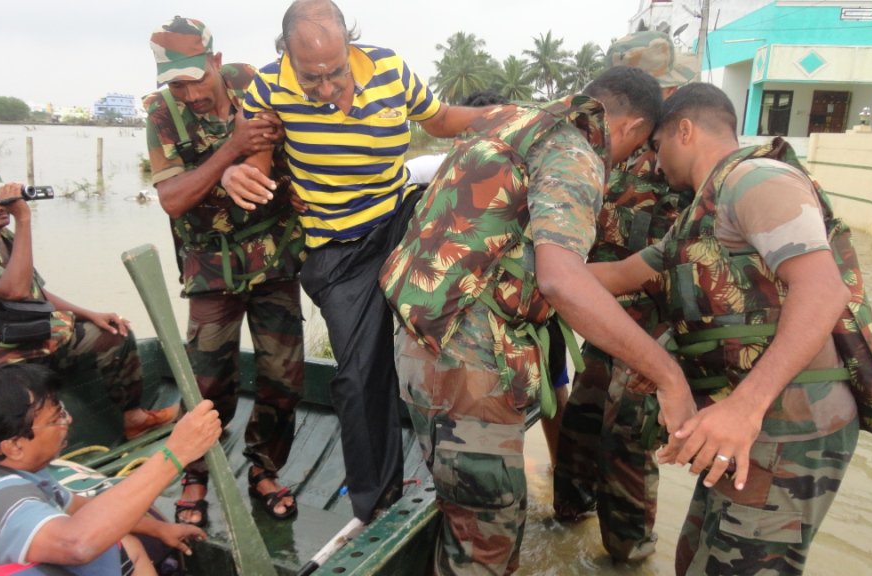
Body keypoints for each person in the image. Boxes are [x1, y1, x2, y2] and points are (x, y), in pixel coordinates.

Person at [380, 67, 695, 575]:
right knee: (488, 538)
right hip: (469, 362)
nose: (639, 159)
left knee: (467, 518)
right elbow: (560, 282)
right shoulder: (576, 155)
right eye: (644, 145)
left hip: (425, 342)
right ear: (634, 127)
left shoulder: (512, 118)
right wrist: (668, 375)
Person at [220, 0, 495, 524]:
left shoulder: (390, 69)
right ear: (287, 57)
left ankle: (463, 464)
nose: (325, 88)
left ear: (350, 46)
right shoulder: (269, 86)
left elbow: (439, 121)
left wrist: (508, 116)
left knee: (448, 337)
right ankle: (377, 500)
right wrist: (239, 174)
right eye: (310, 78)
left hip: (399, 220)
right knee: (359, 372)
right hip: (338, 248)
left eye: (334, 72)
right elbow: (253, 157)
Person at [592, 83, 861, 574]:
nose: (653, 165)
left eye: (658, 147)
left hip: (789, 430)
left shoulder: (757, 179)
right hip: (744, 429)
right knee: (692, 560)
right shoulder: (699, 214)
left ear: (686, 131)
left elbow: (823, 290)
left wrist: (745, 407)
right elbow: (616, 276)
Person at [143, 16, 306, 527]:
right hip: (210, 264)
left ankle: (264, 466)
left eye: (194, 77)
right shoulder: (162, 113)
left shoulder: (252, 84)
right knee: (208, 379)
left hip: (274, 256)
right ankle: (195, 474)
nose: (188, 92)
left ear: (215, 60)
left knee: (284, 376)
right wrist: (228, 153)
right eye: (175, 82)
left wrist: (247, 158)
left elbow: (274, 162)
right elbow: (173, 199)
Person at [552, 30, 699, 562]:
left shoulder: (688, 156)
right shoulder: (601, 146)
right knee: (581, 423)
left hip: (656, 326)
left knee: (629, 441)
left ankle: (629, 552)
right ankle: (568, 517)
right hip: (602, 319)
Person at [0, 167, 177, 440]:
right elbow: (15, 291)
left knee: (114, 334)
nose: (0, 206)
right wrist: (24, 220)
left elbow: (36, 293)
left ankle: (134, 419)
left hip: (25, 342)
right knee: (24, 396)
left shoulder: (4, 239)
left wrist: (91, 315)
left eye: (3, 199)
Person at [0, 363, 222, 575]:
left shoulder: (9, 473)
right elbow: (77, 544)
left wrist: (160, 529)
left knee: (123, 542)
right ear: (13, 445)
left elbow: (78, 507)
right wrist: (176, 453)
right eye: (57, 417)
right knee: (118, 554)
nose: (68, 421)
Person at [403, 88, 572, 464]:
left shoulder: (529, 167)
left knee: (554, 383)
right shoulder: (440, 168)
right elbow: (398, 182)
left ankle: (563, 478)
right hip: (466, 314)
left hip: (526, 305)